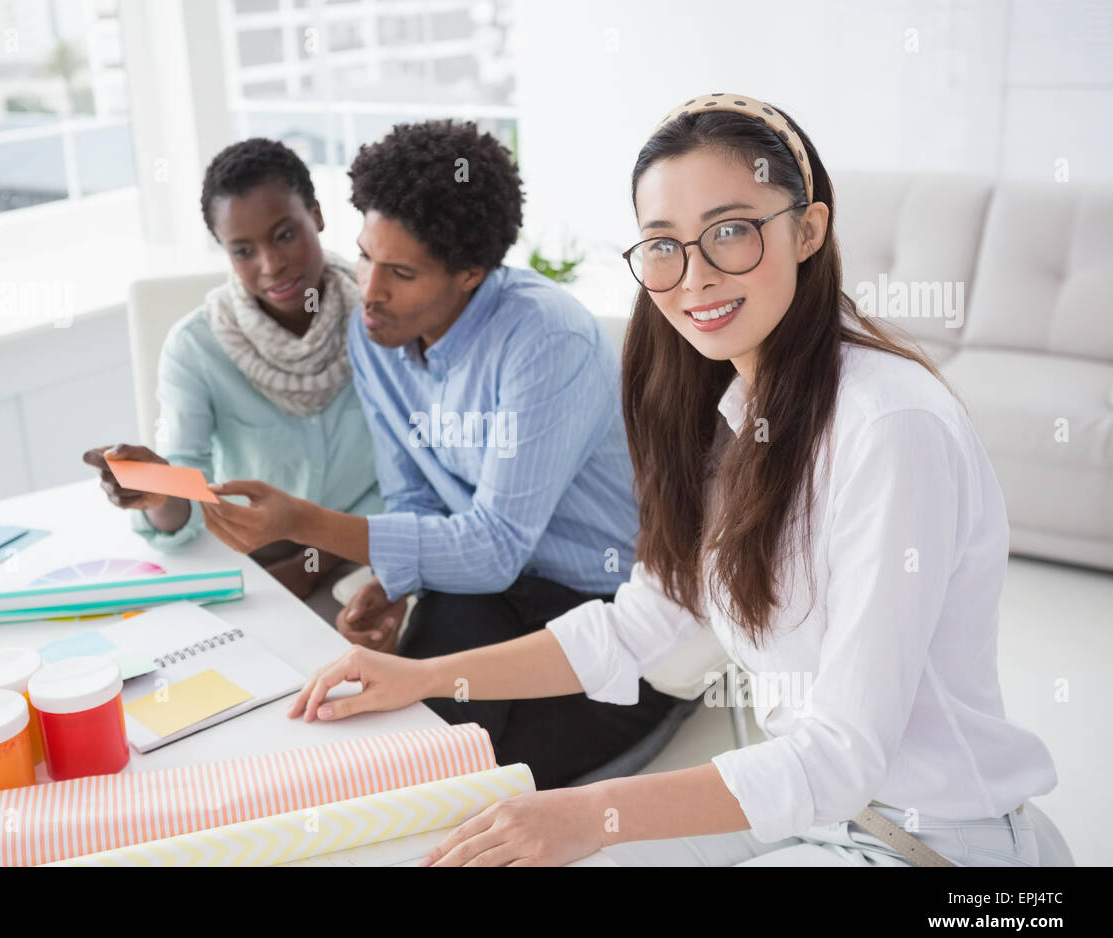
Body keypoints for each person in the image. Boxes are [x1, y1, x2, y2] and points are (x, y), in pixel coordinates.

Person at [282, 94, 1059, 867]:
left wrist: (591, 811)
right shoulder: (726, 412)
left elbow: (841, 754)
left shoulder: (889, 426)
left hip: (935, 841)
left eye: (731, 232)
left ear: (809, 230)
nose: (696, 276)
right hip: (801, 809)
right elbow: (637, 624)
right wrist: (416, 676)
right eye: (664, 244)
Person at [199, 119, 692, 789]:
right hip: (490, 591)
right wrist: (399, 583)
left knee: (486, 785)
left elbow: (492, 546)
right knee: (402, 756)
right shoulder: (374, 335)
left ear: (470, 274)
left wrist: (299, 522)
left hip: (608, 611)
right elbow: (417, 499)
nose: (368, 291)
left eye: (400, 273)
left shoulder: (546, 342)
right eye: (367, 256)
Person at [82, 138, 381, 599]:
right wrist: (161, 492)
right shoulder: (196, 348)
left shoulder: (380, 320)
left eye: (285, 234)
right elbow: (189, 499)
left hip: (366, 557)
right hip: (253, 566)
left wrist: (316, 558)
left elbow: (412, 474)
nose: (272, 264)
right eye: (243, 250)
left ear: (317, 216)